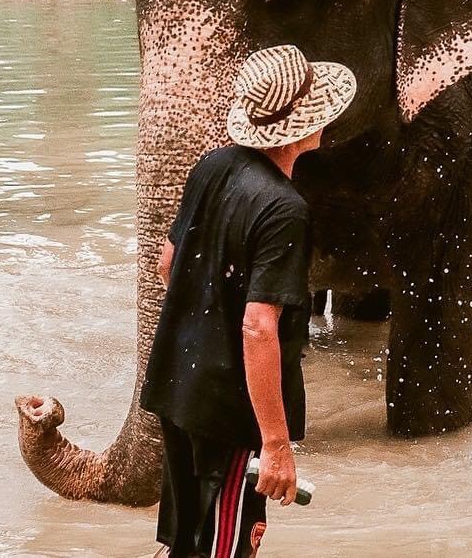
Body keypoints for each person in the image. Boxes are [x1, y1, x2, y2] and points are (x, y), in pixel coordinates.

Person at [141, 44, 357, 558]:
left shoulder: (212, 166)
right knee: (226, 548)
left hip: (178, 389)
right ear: (301, 127)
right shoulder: (285, 210)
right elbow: (259, 327)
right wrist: (276, 443)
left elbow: (168, 264)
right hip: (230, 416)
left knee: (183, 543)